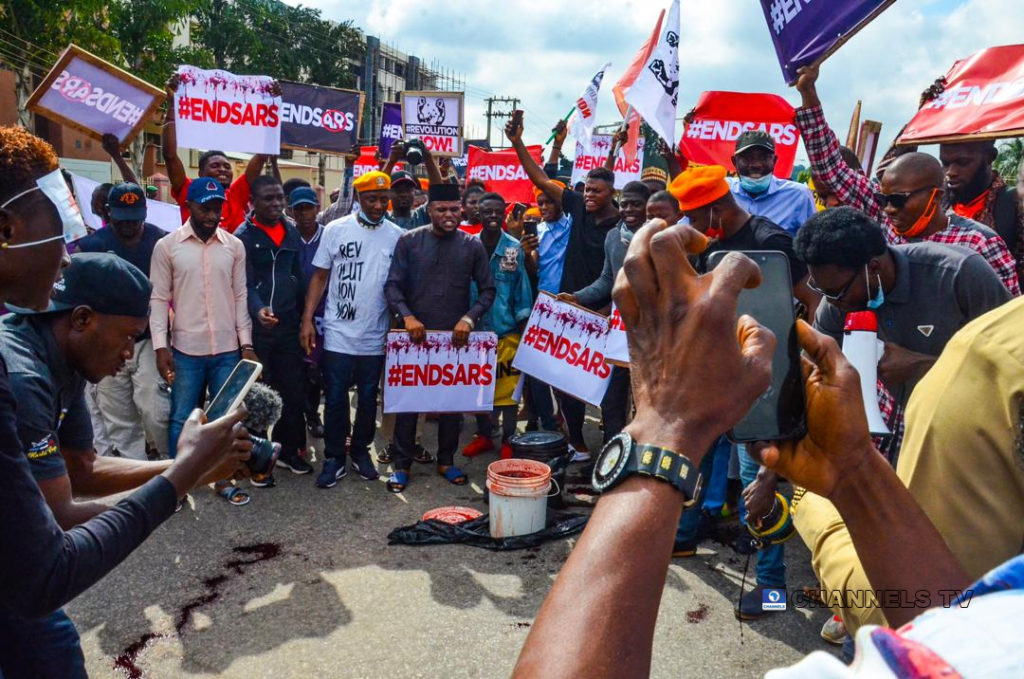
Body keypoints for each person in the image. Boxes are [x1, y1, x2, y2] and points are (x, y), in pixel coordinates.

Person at [511, 218, 1020, 677]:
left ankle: (787, 596)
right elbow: (953, 627)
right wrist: (852, 469)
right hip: (845, 450)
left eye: (838, 290)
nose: (831, 305)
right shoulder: (994, 631)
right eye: (819, 290)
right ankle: (780, 590)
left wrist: (664, 427)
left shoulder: (966, 288)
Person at [0, 125, 250, 677]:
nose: (65, 263)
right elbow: (56, 543)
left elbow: (81, 470)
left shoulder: (53, 356)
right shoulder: (19, 375)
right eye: (58, 240)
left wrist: (194, 468)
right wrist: (182, 476)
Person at [668, 164, 817, 617]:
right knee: (697, 456)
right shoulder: (706, 246)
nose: (691, 229)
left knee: (761, 481)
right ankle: (683, 539)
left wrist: (794, 373)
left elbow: (809, 303)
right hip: (714, 374)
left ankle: (772, 587)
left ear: (714, 209)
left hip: (762, 380)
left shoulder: (772, 243)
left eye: (693, 219)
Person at [794, 65, 1021, 296]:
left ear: (935, 196)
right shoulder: (886, 222)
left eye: (898, 200)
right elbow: (830, 169)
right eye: (885, 200)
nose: (890, 209)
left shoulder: (978, 243)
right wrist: (808, 92)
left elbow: (1006, 316)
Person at [507, 112, 621, 459]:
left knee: (608, 388)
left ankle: (613, 447)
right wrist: (516, 144)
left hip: (602, 313)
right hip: (568, 309)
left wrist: (604, 309)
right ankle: (577, 443)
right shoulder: (577, 205)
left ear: (611, 194)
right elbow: (541, 179)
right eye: (585, 189)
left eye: (597, 191)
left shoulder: (620, 226)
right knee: (566, 382)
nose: (588, 195)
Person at [150, 178, 258, 506]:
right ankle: (175, 488)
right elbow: (158, 299)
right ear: (189, 207)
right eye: (205, 208)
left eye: (217, 208)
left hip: (227, 349)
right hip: (185, 350)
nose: (212, 215)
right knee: (181, 417)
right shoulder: (167, 246)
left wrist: (247, 343)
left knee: (224, 418)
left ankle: (221, 480)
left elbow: (240, 296)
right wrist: (160, 347)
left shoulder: (233, 246)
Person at [383, 182, 496, 493]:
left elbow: (488, 290)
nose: (448, 215)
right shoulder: (409, 242)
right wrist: (407, 317)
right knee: (409, 404)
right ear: (429, 209)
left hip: (455, 339)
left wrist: (468, 319)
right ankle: (401, 465)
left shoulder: (472, 246)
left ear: (461, 209)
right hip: (414, 339)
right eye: (441, 209)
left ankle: (446, 460)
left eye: (453, 209)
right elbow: (392, 286)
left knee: (451, 404)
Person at [300, 171, 402, 487]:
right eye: (372, 198)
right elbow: (319, 276)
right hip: (338, 333)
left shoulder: (397, 235)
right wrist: (306, 320)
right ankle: (333, 457)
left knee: (369, 398)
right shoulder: (335, 230)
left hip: (375, 334)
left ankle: (360, 452)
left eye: (384, 199)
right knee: (334, 397)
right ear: (358, 197)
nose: (378, 205)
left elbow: (399, 285)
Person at [75, 183, 170, 460]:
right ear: (108, 213)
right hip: (106, 345)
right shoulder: (90, 246)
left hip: (148, 341)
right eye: (122, 219)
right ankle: (136, 479)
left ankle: (168, 468)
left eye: (135, 218)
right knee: (120, 419)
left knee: (155, 410)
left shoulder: (160, 242)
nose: (129, 226)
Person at [561, 181, 652, 446]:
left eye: (636, 203)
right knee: (612, 402)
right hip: (619, 335)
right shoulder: (613, 236)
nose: (629, 209)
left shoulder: (660, 237)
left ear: (648, 206)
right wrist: (577, 297)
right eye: (625, 204)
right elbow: (606, 280)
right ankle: (612, 459)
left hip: (651, 335)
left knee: (646, 404)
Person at [235, 176, 312, 483]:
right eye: (268, 199)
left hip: (289, 327)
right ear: (252, 202)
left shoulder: (291, 231)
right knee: (256, 397)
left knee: (292, 392)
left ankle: (288, 451)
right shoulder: (242, 236)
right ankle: (254, 460)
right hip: (257, 331)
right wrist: (258, 309)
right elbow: (245, 283)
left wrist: (304, 319)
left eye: (280, 198)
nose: (277, 203)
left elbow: (299, 279)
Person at [461, 192, 533, 460]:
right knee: (478, 390)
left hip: (506, 330)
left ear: (504, 214)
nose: (493, 216)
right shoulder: (467, 246)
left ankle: (508, 439)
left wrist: (523, 325)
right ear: (477, 214)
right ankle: (484, 436)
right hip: (475, 331)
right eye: (487, 211)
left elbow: (520, 288)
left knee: (509, 391)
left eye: (498, 212)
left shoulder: (513, 248)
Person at [161, 74, 270, 232]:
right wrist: (172, 104)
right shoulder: (188, 189)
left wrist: (270, 104)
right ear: (200, 173)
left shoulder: (236, 194)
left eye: (227, 166)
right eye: (215, 165)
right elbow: (170, 156)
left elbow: (260, 156)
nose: (223, 169)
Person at [288, 186, 326, 439]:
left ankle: (313, 415)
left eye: (308, 208)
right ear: (291, 211)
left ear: (317, 208)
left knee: (316, 371)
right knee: (295, 371)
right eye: (298, 209)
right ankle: (298, 421)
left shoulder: (329, 235)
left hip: (323, 313)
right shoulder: (286, 236)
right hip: (292, 312)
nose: (304, 214)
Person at [727, 130, 816, 235]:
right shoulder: (723, 191)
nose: (756, 165)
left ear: (774, 161)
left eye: (763, 157)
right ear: (734, 162)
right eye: (748, 158)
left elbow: (812, 243)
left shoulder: (799, 195)